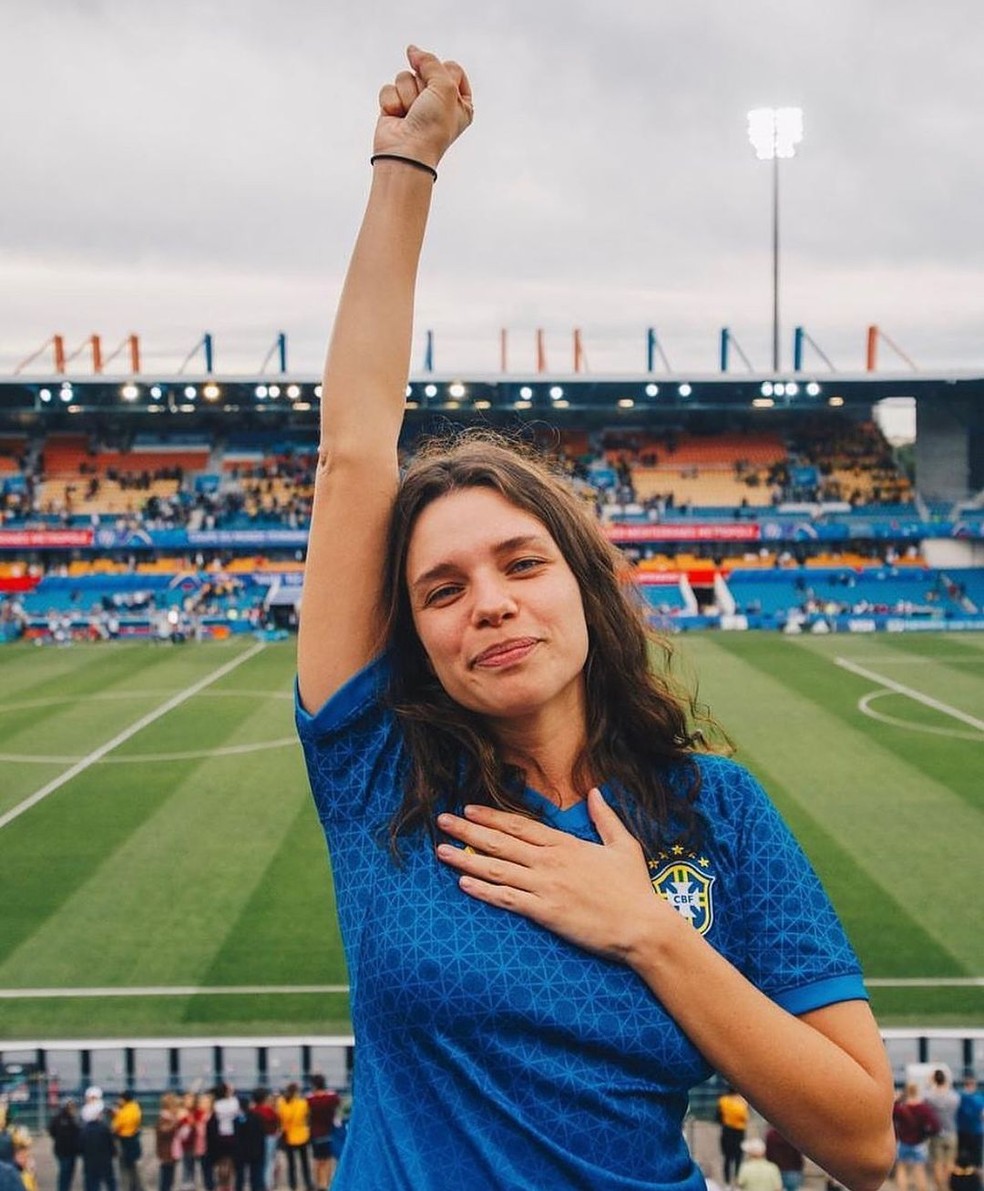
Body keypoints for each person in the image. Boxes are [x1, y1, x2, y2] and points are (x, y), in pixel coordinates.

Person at [294, 42, 896, 1191]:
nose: (491, 604)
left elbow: (863, 1142)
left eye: (521, 562)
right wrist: (403, 162)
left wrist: (649, 930)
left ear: (583, 583)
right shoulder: (378, 777)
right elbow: (354, 452)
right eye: (443, 588)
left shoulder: (715, 812)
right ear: (411, 634)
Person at [893, 1082, 941, 1191]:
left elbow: (892, 1116)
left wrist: (897, 1100)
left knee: (901, 1169)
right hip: (919, 1143)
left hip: (903, 1142)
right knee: (919, 1170)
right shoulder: (923, 1108)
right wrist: (925, 1135)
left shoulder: (901, 1108)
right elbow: (935, 1126)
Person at [925, 1069, 960, 1191]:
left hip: (936, 1134)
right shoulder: (954, 1097)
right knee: (949, 1163)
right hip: (951, 1132)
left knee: (937, 1164)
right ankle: (947, 1186)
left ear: (935, 1080)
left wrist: (929, 1084)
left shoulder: (929, 1097)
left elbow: (925, 1103)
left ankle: (940, 1188)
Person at [305, 1077, 339, 1191]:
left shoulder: (310, 1100)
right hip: (329, 1132)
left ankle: (318, 1184)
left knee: (317, 1160)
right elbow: (337, 1102)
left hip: (315, 1133)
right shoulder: (331, 1098)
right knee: (328, 1159)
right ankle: (326, 1184)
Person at [275, 1086, 311, 1191]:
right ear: (296, 1092)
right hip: (301, 1135)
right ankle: (308, 1183)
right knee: (304, 1163)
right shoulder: (302, 1103)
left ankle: (293, 1185)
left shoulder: (281, 1103)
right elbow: (305, 1116)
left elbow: (280, 1118)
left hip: (288, 1136)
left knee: (291, 1164)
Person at [718, 1087, 749, 1188]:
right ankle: (737, 1180)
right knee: (738, 1158)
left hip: (727, 1130)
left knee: (727, 1158)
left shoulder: (723, 1101)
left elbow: (718, 1116)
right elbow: (746, 1117)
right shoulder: (742, 1101)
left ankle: (727, 1183)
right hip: (739, 1132)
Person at [48, 1099, 82, 1191]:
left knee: (69, 1172)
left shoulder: (74, 1119)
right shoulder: (61, 1118)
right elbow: (52, 1131)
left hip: (71, 1151)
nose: (73, 1109)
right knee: (65, 1172)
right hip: (63, 1151)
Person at [111, 1093, 142, 1191]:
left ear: (124, 1099)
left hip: (124, 1140)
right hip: (134, 1139)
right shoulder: (135, 1108)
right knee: (132, 1166)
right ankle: (137, 1187)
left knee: (124, 1168)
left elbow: (114, 1127)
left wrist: (116, 1114)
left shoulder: (123, 1113)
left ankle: (127, 1188)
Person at [764, 1127, 804, 1191]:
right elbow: (798, 1153)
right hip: (793, 1170)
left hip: (776, 1170)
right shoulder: (793, 1135)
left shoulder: (770, 1135)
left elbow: (768, 1153)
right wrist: (800, 1168)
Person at [957, 1077, 984, 1169]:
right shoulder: (980, 1098)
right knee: (977, 1161)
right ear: (974, 1086)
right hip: (977, 1132)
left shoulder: (959, 1097)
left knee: (963, 1159)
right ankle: (978, 1181)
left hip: (962, 1131)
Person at [154, 1095, 180, 1191]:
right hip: (166, 1152)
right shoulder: (165, 1118)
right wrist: (175, 1123)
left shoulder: (169, 1117)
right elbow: (164, 1131)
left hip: (170, 1151)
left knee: (169, 1178)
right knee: (166, 1179)